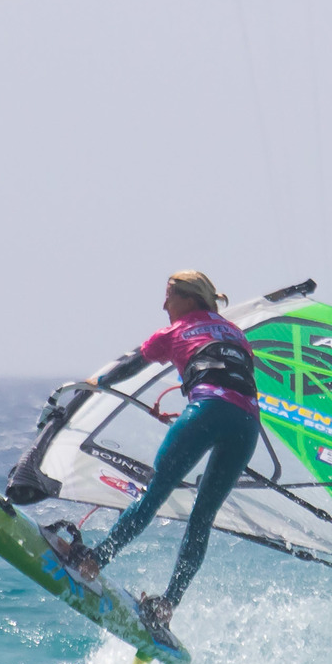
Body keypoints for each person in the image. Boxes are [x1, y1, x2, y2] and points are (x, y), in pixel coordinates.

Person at [52, 270, 259, 644]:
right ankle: (168, 605)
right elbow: (233, 382)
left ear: (190, 299)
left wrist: (97, 384)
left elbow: (130, 366)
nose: (164, 304)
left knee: (153, 494)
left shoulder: (174, 331)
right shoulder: (236, 333)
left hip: (207, 410)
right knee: (202, 519)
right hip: (247, 425)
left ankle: (93, 562)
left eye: (170, 296)